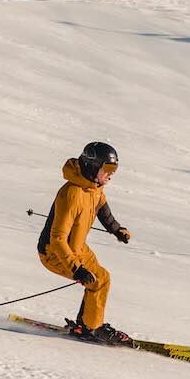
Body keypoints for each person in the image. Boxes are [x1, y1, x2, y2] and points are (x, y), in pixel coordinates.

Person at [36, 141, 133, 345]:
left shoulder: (94, 188)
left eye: (114, 169)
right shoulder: (72, 193)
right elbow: (57, 239)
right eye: (107, 169)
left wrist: (116, 229)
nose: (111, 174)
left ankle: (85, 324)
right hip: (55, 253)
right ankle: (93, 328)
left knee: (102, 278)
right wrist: (77, 269)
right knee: (95, 281)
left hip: (77, 247)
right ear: (92, 166)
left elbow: (102, 207)